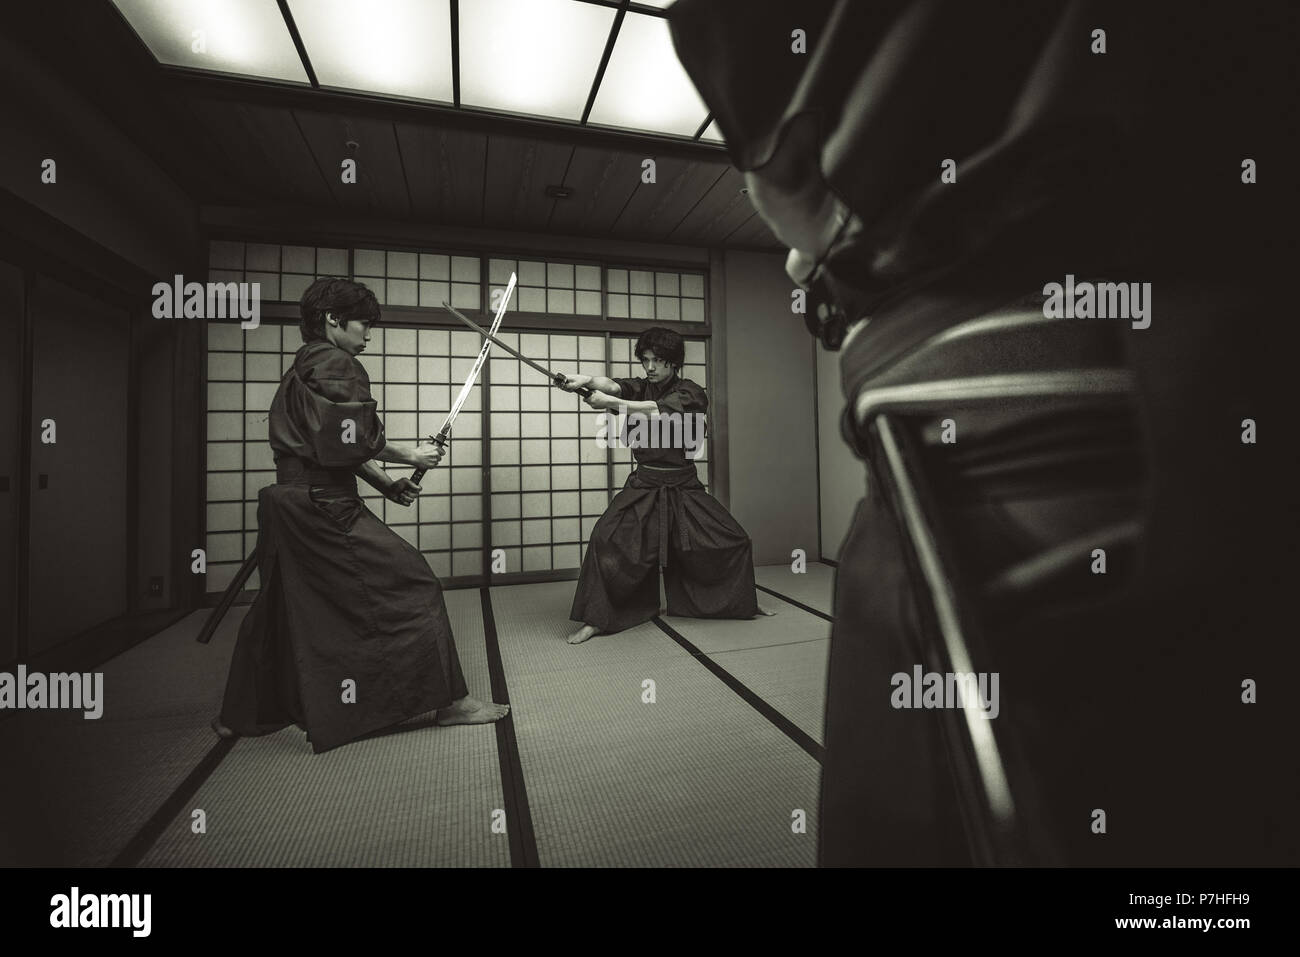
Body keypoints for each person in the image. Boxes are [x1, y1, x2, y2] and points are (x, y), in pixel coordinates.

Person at [213, 278, 508, 753]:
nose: (369, 334)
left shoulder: (301, 368)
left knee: (281, 604)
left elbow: (329, 442)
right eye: (363, 323)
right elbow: (347, 437)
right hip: (323, 504)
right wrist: (410, 456)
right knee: (415, 583)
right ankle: (450, 703)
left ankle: (241, 715)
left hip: (287, 502)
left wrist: (386, 482)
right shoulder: (335, 362)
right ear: (333, 319)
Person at [558, 327, 774, 645]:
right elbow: (613, 384)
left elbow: (657, 411)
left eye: (658, 361)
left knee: (733, 540)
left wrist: (611, 402)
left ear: (674, 363)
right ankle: (599, 619)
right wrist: (584, 380)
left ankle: (741, 602)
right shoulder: (640, 386)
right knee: (606, 539)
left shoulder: (691, 392)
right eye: (645, 360)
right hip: (645, 481)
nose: (650, 367)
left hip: (683, 483)